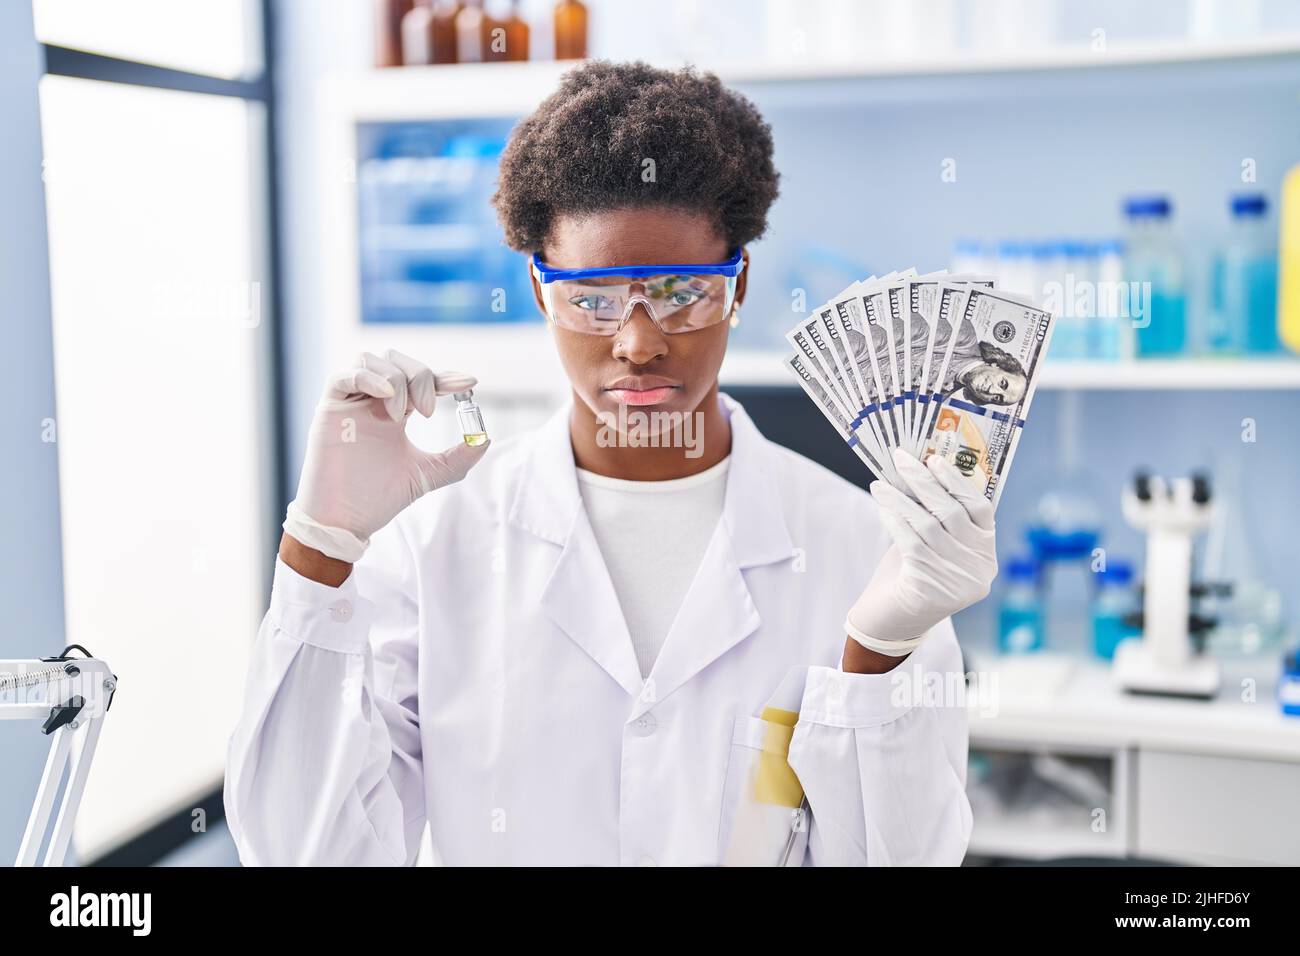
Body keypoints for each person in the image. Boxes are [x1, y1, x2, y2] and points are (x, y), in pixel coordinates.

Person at [225, 61, 997, 866]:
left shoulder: (857, 549)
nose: (637, 342)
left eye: (681, 291)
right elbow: (304, 853)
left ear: (739, 285)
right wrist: (320, 551)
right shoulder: (437, 547)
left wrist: (877, 658)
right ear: (537, 289)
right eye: (591, 299)